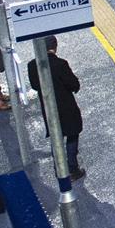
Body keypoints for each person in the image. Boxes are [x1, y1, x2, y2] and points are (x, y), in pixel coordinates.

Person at [29, 36, 84, 179]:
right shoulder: (60, 64)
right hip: (66, 106)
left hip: (48, 107)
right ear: (55, 46)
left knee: (56, 136)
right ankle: (72, 168)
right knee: (72, 133)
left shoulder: (32, 65)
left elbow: (35, 85)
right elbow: (73, 84)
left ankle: (59, 168)